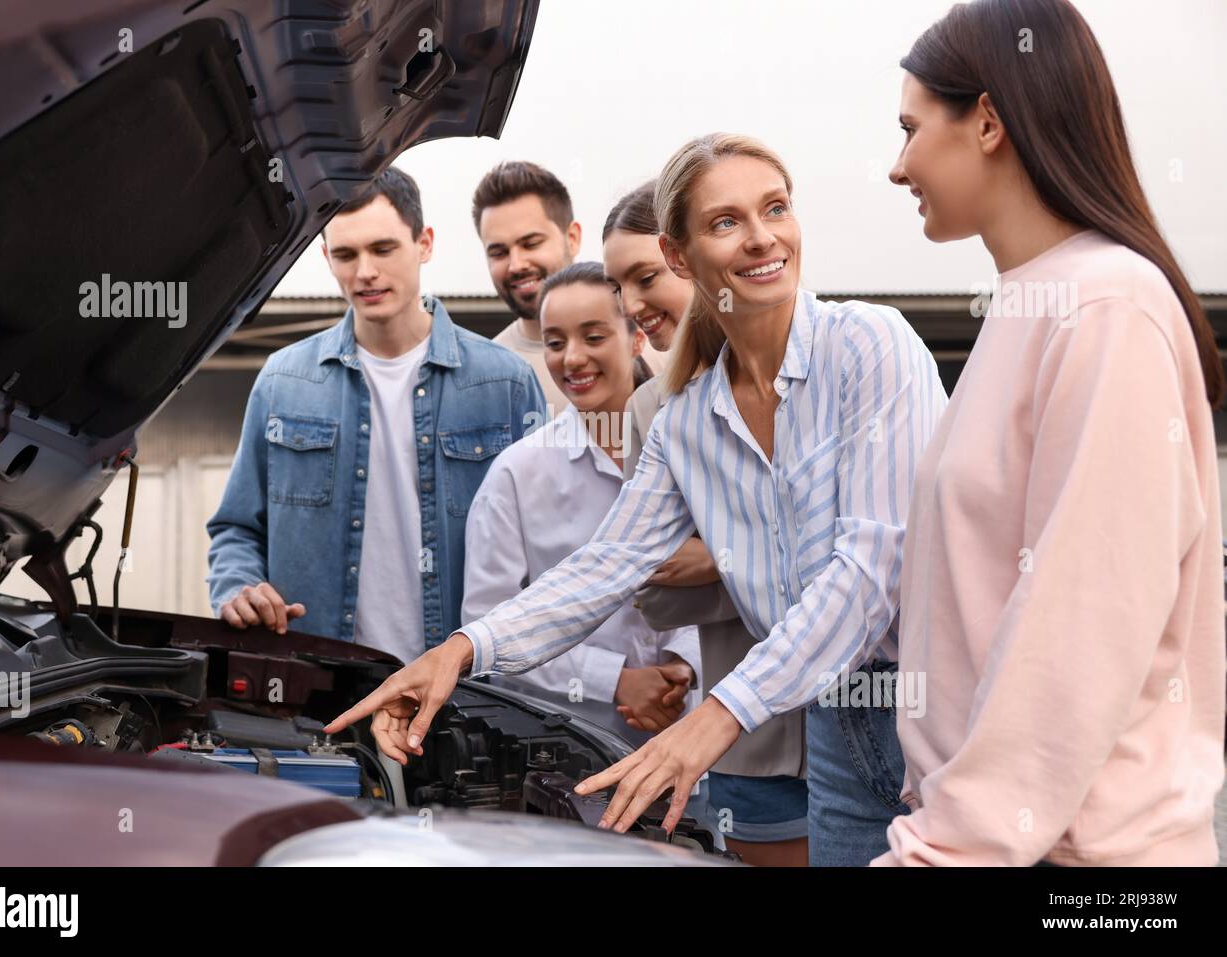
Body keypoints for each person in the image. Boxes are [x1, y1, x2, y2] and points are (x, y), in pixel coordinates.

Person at [326, 134, 948, 867]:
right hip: (832, 722)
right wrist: (460, 651)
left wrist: (715, 716)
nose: (761, 238)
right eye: (725, 222)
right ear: (680, 254)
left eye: (775, 208)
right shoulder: (686, 418)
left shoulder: (870, 345)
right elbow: (606, 566)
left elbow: (868, 572)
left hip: (937, 702)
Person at [877, 0, 1225, 866]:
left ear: (987, 121)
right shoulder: (1040, 302)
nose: (897, 166)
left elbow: (1083, 621)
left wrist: (950, 846)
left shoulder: (1104, 304)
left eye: (912, 128)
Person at [206, 167, 545, 658]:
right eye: (345, 254)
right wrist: (237, 587)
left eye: (383, 249)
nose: (364, 271)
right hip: (318, 682)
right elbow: (236, 527)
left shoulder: (505, 385)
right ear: (326, 257)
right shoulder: (283, 382)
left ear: (423, 243)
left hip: (464, 689)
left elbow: (547, 552)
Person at [604, 182, 809, 866]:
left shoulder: (840, 363)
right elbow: (653, 590)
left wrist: (719, 554)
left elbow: (872, 560)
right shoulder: (652, 409)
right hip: (751, 750)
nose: (632, 306)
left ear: (690, 260)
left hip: (872, 726)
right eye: (618, 286)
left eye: (645, 277)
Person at [462, 261, 701, 745]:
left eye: (593, 337)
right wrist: (615, 680)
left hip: (694, 745)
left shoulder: (697, 449)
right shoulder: (517, 474)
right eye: (554, 342)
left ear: (637, 337)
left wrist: (685, 666)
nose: (571, 359)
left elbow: (737, 583)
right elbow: (487, 627)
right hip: (564, 756)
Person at [471, 161, 667, 416]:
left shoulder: (659, 343)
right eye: (499, 252)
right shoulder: (485, 377)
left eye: (531, 244)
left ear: (572, 237)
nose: (516, 265)